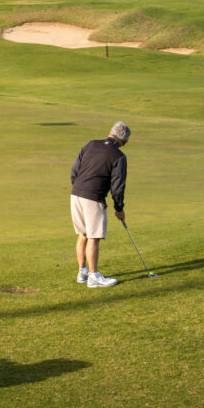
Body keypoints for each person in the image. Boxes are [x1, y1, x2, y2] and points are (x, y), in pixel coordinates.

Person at [70, 121, 130, 288]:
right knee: (94, 237)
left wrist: (80, 188)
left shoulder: (90, 144)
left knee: (82, 234)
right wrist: (119, 208)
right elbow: (118, 186)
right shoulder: (119, 156)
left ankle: (82, 272)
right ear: (124, 142)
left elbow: (74, 172)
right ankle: (94, 276)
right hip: (93, 197)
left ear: (110, 132)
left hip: (76, 194)